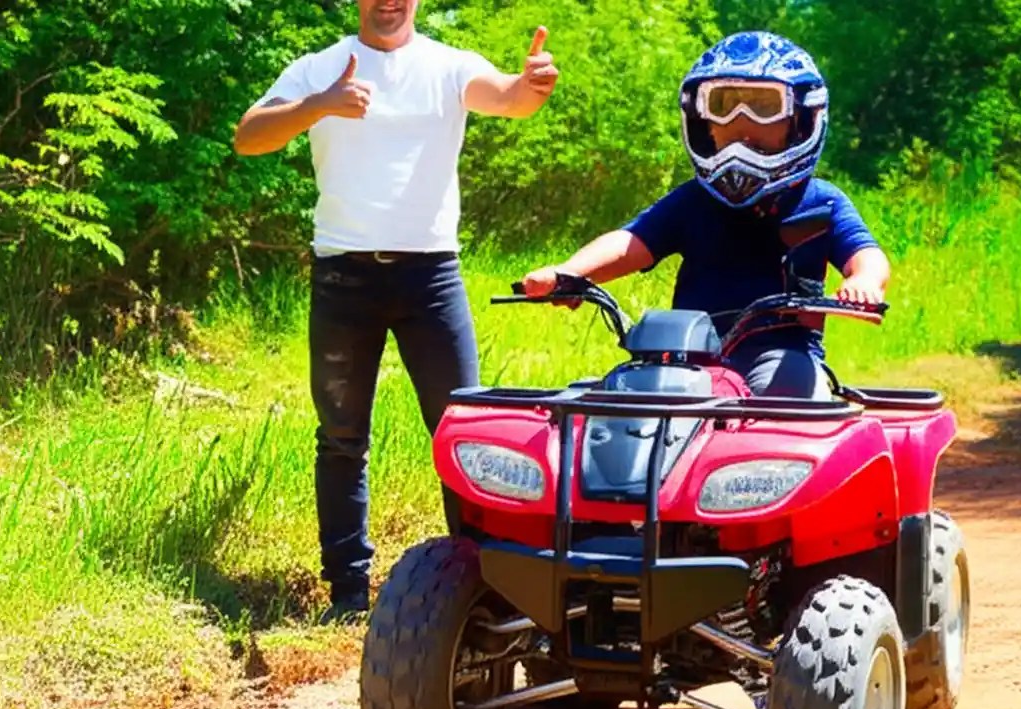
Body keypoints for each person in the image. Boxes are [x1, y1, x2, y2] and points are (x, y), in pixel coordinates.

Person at [233, 0, 559, 624]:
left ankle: (479, 587)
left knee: (464, 431)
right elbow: (249, 137)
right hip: (343, 276)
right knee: (341, 438)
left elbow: (508, 98)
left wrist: (531, 85)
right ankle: (348, 595)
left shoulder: (448, 65)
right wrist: (319, 105)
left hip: (430, 278)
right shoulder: (320, 68)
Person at [519, 31, 889, 399]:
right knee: (613, 400)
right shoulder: (693, 201)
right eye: (723, 106)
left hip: (779, 355)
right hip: (689, 357)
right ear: (703, 123)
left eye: (762, 108)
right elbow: (631, 242)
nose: (742, 122)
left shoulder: (821, 201)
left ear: (802, 119)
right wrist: (569, 272)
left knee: (791, 386)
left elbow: (866, 255)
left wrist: (866, 281)